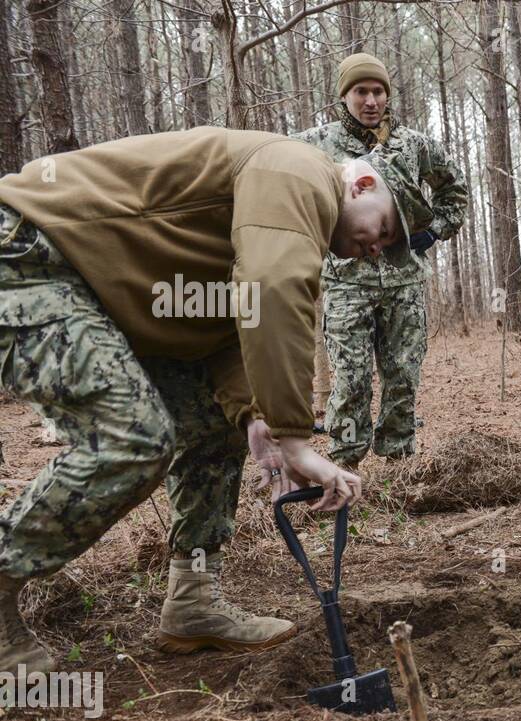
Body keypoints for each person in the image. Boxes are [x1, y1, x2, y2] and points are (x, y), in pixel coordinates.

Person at [0, 125, 438, 675]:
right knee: (134, 441)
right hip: (28, 252)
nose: (377, 250)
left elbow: (228, 323)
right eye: (386, 230)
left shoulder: (285, 204)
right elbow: (271, 288)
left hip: (103, 290)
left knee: (216, 423)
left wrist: (257, 417)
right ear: (362, 184)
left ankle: (192, 598)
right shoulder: (297, 170)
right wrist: (298, 437)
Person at [295, 52, 467, 467]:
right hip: (346, 283)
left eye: (378, 92)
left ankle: (398, 462)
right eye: (361, 92)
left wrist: (430, 233)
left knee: (402, 377)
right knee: (351, 380)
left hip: (403, 284)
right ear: (344, 96)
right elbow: (285, 190)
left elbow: (454, 190)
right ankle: (344, 464)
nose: (370, 101)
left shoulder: (413, 144)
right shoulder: (315, 144)